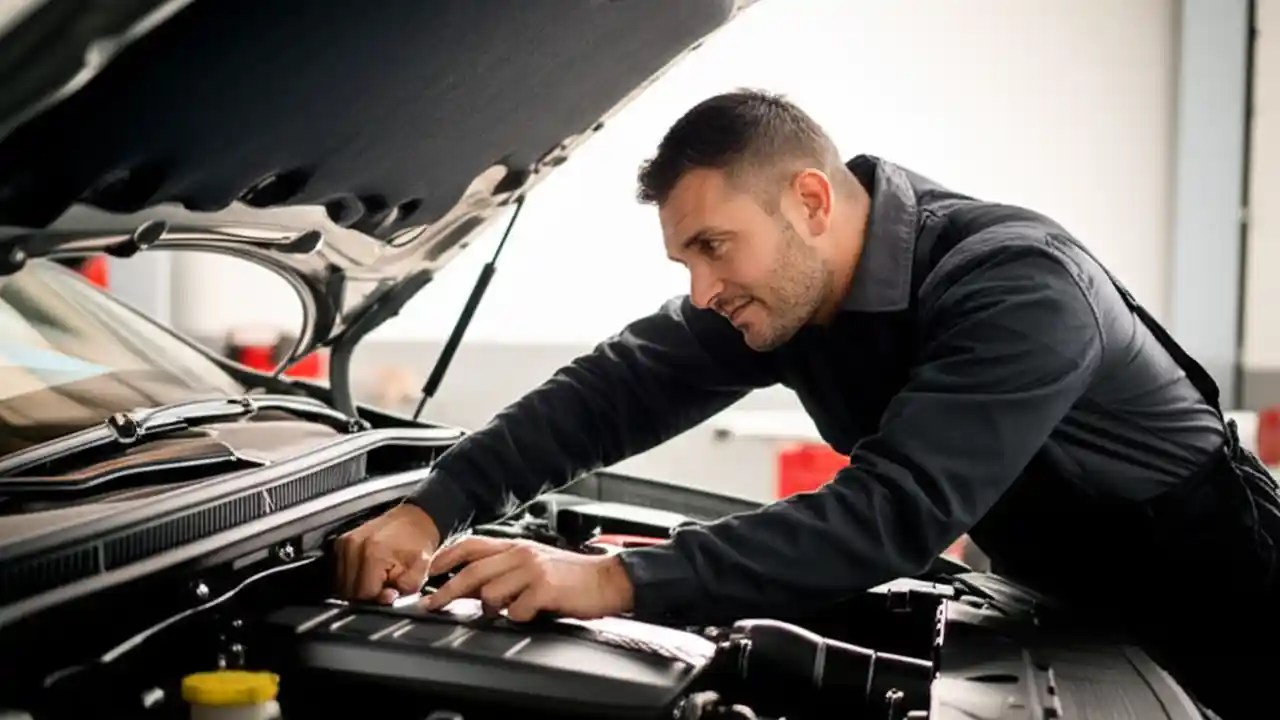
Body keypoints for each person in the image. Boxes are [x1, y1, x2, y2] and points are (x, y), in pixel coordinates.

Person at [336, 89, 1278, 718]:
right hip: (1066, 612)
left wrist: (612, 581)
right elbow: (613, 391)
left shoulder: (1019, 286)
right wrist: (433, 505)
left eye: (715, 247)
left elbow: (892, 512)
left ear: (812, 202)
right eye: (685, 260)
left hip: (1233, 619)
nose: (702, 291)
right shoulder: (784, 297)